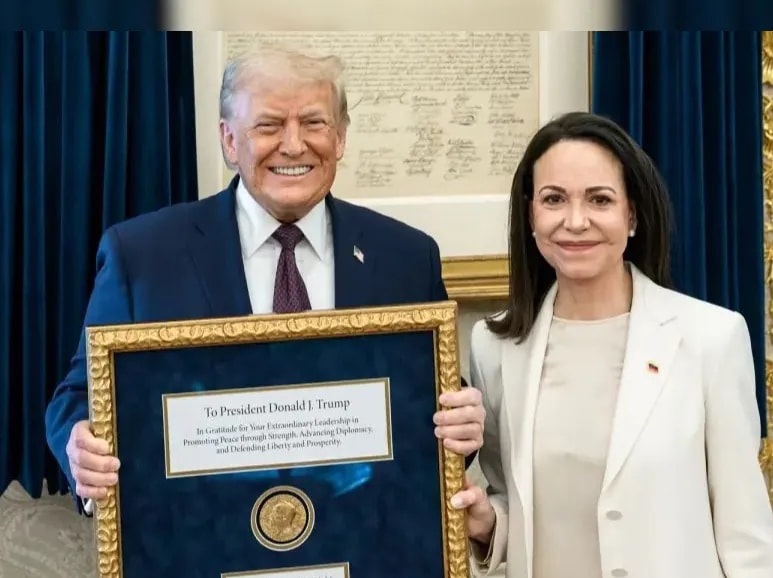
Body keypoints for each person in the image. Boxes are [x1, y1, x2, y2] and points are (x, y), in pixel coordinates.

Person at [45, 46, 486, 519]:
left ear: (340, 137)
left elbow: (433, 402)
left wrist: (462, 424)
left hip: (364, 549)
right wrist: (81, 450)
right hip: (199, 552)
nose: (294, 145)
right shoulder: (142, 256)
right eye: (269, 125)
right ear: (230, 141)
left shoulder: (405, 256)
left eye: (314, 123)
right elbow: (80, 397)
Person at [449, 111, 773, 578]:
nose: (575, 221)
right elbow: (519, 502)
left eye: (599, 200)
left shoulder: (709, 337)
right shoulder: (496, 345)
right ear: (529, 214)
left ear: (632, 215)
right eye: (554, 199)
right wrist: (485, 520)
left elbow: (747, 545)